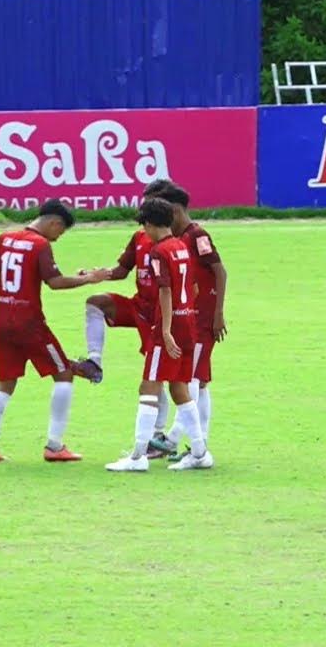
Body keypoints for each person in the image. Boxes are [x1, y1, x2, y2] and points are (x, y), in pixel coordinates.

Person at [0, 200, 109, 463]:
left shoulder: (5, 237)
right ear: (54, 223)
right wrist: (88, 279)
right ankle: (54, 446)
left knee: (5, 383)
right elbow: (56, 283)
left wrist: (6, 294)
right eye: (60, 232)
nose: (57, 238)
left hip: (2, 322)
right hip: (30, 324)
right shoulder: (40, 245)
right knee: (64, 374)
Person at [106, 198, 212, 472]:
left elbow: (164, 290)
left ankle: (138, 456)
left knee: (149, 386)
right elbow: (194, 287)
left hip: (170, 325)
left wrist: (165, 329)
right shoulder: (181, 245)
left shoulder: (158, 252)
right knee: (179, 387)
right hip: (189, 320)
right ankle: (200, 453)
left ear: (150, 224)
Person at [73, 179, 178, 455]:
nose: (144, 206)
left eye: (150, 200)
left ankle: (157, 436)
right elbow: (122, 270)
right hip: (138, 307)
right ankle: (94, 363)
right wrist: (98, 274)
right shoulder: (140, 236)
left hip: (159, 315)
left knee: (156, 376)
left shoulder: (172, 241)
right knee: (96, 303)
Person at [142, 184, 229, 464]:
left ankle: (181, 441)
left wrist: (217, 313)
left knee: (193, 379)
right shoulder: (178, 240)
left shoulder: (197, 235)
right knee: (197, 381)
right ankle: (189, 442)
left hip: (202, 320)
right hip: (190, 318)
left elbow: (220, 270)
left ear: (175, 210)